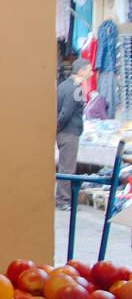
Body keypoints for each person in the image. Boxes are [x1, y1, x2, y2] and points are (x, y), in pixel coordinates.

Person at [57, 58, 93, 209]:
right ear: (81, 71)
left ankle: (64, 199)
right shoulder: (75, 89)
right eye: (89, 70)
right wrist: (58, 127)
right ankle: (63, 200)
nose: (91, 73)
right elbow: (66, 113)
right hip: (69, 133)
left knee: (66, 166)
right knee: (67, 168)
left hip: (64, 132)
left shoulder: (63, 86)